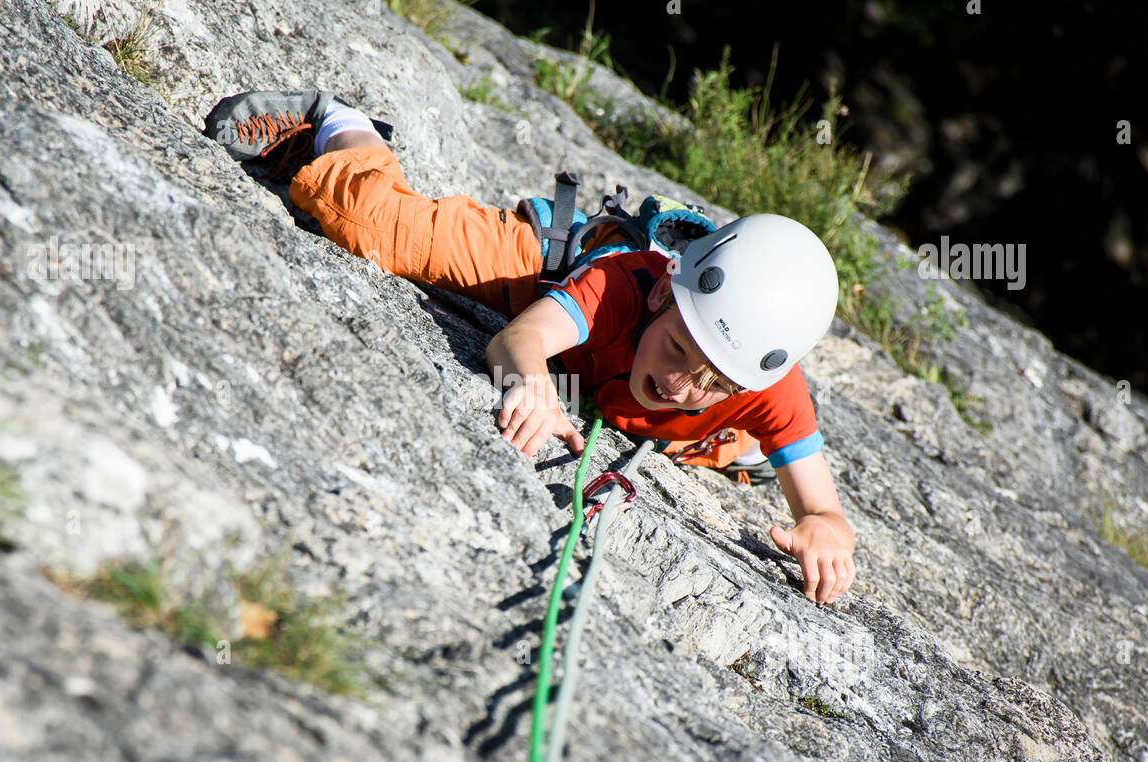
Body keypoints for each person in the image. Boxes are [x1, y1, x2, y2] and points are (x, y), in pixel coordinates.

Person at [203, 89, 856, 603]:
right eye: (680, 349)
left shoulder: (770, 386)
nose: (682, 383)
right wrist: (533, 383)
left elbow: (824, 507)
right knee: (374, 227)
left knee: (722, 438)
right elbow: (522, 339)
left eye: (716, 381)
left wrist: (826, 529)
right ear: (664, 298)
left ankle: (711, 433)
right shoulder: (624, 287)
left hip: (657, 414)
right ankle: (340, 128)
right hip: (547, 275)